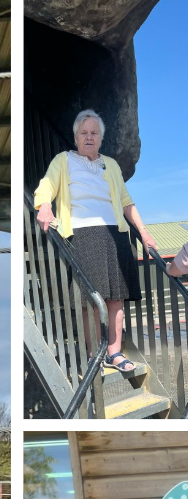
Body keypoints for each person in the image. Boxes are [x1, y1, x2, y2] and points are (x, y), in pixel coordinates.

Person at [34, 109, 157, 372]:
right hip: (83, 233)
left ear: (101, 138)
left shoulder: (110, 164)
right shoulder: (63, 160)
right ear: (76, 137)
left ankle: (114, 353)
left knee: (116, 298)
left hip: (116, 234)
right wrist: (44, 205)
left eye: (94, 133)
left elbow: (126, 201)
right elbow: (47, 185)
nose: (89, 137)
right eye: (84, 133)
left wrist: (144, 231)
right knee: (90, 300)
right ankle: (94, 356)